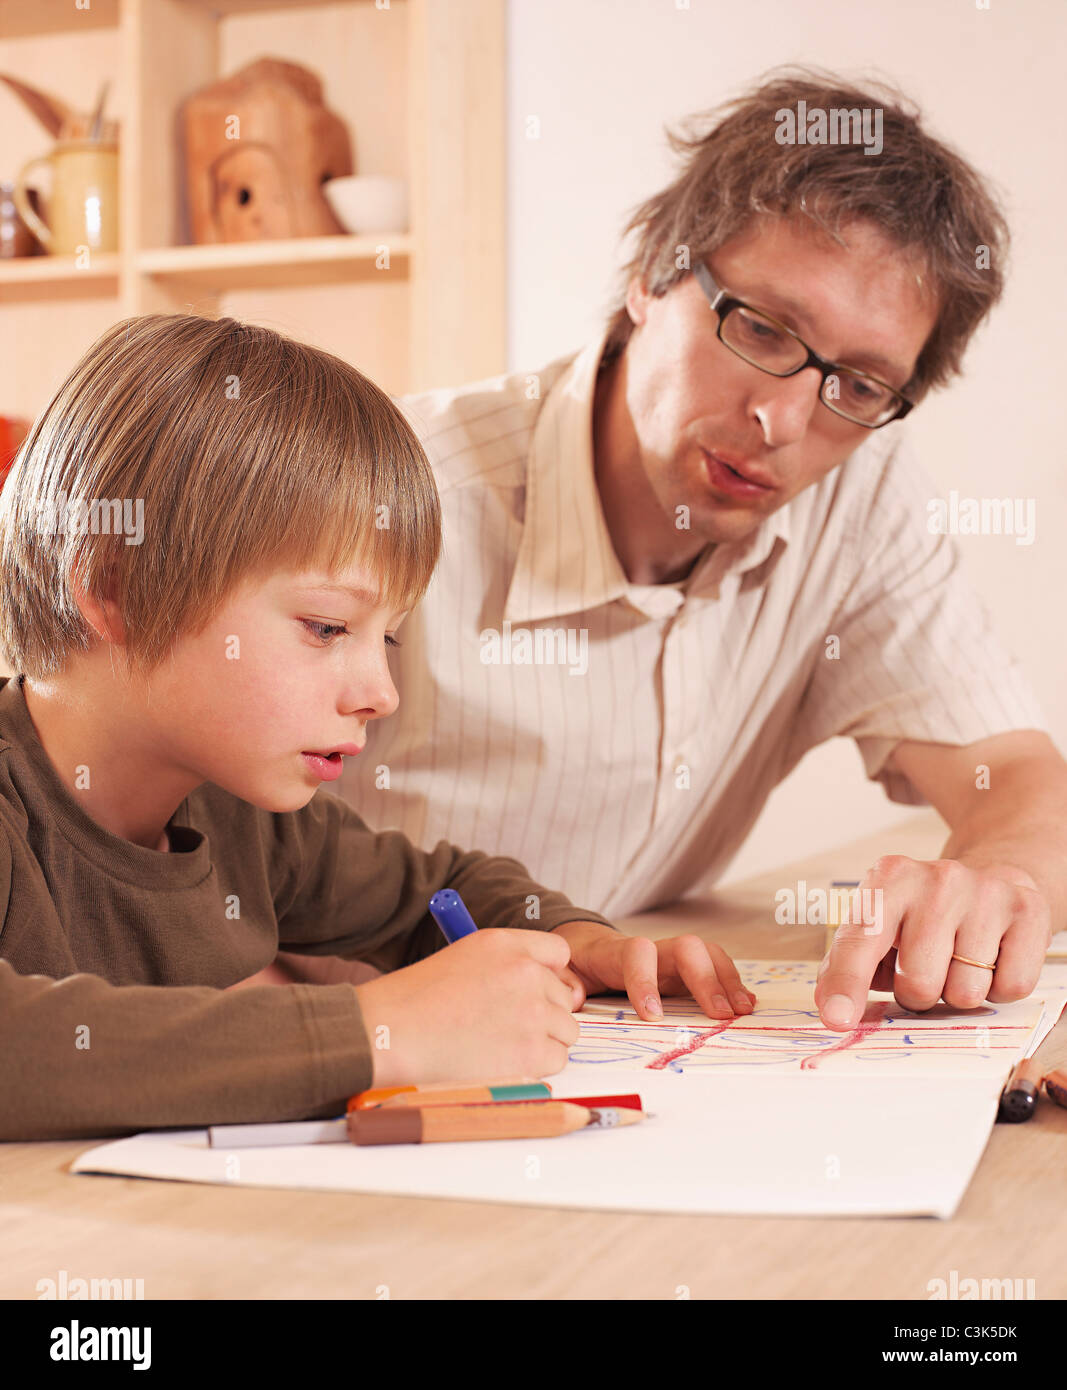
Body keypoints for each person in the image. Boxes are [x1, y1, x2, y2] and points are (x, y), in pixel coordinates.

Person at [334, 68, 1066, 1031]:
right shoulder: (388, 490)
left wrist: (996, 879)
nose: (781, 419)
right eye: (761, 329)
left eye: (857, 386)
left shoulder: (858, 495)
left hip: (609, 1043)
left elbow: (1013, 774)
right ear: (651, 276)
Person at [0, 313, 753, 1142]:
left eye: (385, 638)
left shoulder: (241, 819)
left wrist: (574, 940)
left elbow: (432, 891)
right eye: (326, 628)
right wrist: (376, 1032)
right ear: (118, 590)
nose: (379, 693)